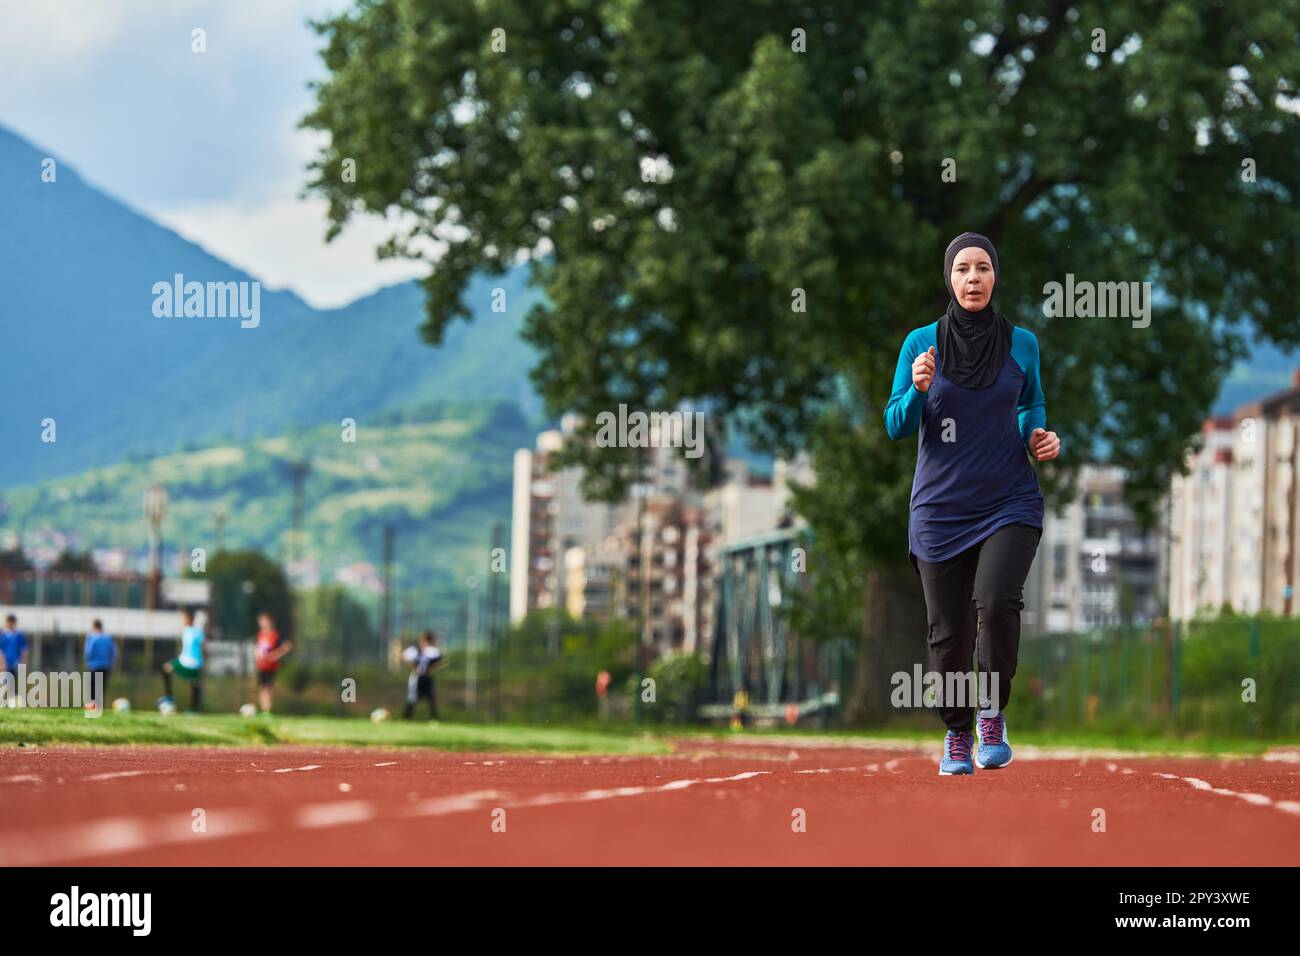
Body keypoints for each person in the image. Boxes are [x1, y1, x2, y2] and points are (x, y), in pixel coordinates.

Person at [884, 232, 1060, 776]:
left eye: (983, 267)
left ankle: (991, 714)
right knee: (948, 634)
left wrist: (1038, 436)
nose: (974, 278)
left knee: (997, 602)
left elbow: (1031, 403)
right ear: (950, 279)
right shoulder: (921, 343)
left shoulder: (1022, 343)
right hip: (939, 511)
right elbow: (896, 424)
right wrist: (916, 389)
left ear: (995, 277)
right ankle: (957, 732)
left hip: (1008, 499)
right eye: (963, 269)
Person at [158, 608, 205, 713]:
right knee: (165, 669)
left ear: (189, 619)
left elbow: (203, 648)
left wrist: (202, 661)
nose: (183, 620)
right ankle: (169, 697)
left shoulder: (197, 632)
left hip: (193, 663)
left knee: (195, 685)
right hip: (183, 660)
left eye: (184, 618)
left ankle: (192, 709)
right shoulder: (185, 631)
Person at [254, 612, 293, 714]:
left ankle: (267, 710)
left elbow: (287, 646)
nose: (262, 623)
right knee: (262, 687)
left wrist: (274, 656)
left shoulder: (275, 635)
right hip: (261, 665)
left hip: (270, 667)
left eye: (264, 620)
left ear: (270, 621)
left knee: (267, 688)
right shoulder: (261, 634)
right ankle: (263, 710)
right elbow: (259, 648)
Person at [402, 631, 445, 719]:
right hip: (417, 677)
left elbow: (442, 662)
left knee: (430, 698)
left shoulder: (432, 650)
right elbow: (404, 656)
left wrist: (429, 669)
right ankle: (406, 717)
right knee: (413, 698)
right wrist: (415, 667)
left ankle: (433, 718)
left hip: (426, 677)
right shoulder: (415, 649)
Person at [83, 619, 116, 712]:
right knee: (101, 689)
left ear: (94, 626)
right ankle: (100, 708)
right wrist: (110, 664)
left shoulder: (92, 637)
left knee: (91, 688)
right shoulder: (108, 638)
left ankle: (91, 709)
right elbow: (113, 652)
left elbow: (88, 651)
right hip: (105, 666)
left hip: (94, 666)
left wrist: (88, 662)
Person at [1, 614, 28, 707]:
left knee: (17, 681)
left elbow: (24, 650)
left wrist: (24, 662)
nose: (9, 624)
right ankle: (6, 700)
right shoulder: (3, 636)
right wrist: (2, 663)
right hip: (6, 662)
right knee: (6, 682)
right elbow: (1, 651)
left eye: (11, 622)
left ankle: (16, 701)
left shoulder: (19, 635)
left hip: (17, 662)